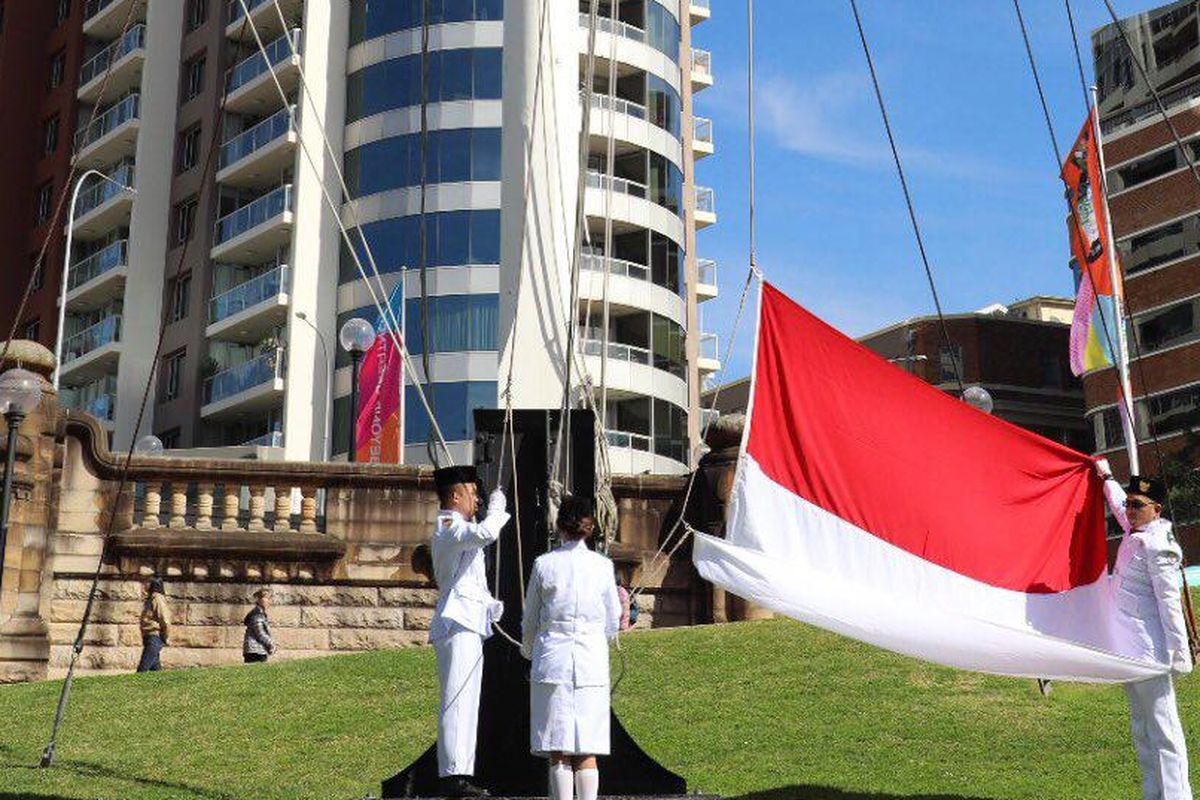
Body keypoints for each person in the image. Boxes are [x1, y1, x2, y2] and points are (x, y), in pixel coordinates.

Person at [1096, 459, 1193, 800]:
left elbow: (1170, 605)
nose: (1129, 510)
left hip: (1151, 653)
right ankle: (1153, 794)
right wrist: (1106, 476)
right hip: (1128, 650)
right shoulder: (1135, 532)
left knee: (1164, 732)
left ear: (1156, 509)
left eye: (1137, 505)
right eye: (1129, 504)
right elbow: (1118, 505)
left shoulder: (1158, 546)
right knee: (1141, 730)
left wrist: (1181, 655)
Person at [521, 495, 622, 800]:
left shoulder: (544, 564)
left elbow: (530, 618)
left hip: (553, 657)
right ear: (590, 527)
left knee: (559, 746)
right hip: (590, 657)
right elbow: (613, 617)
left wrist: (528, 650)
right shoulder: (603, 566)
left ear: (559, 525)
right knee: (587, 744)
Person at [429, 464, 508, 799]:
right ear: (456, 495)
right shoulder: (448, 524)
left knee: (468, 700)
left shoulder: (463, 528)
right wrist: (498, 508)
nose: (476, 500)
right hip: (456, 622)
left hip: (470, 622)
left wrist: (489, 603)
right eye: (473, 493)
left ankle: (461, 771)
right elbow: (484, 535)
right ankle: (452, 776)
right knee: (456, 699)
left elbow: (473, 579)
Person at [136, 577, 170, 672]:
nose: (144, 585)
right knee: (156, 671)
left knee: (142, 669)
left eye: (147, 582)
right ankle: (163, 687)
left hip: (154, 638)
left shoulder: (157, 598)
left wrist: (165, 637)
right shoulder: (150, 599)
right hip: (148, 638)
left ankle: (134, 686)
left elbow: (165, 619)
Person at [243, 588, 277, 664]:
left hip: (257, 650)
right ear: (259, 600)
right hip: (255, 651)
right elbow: (260, 633)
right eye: (266, 598)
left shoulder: (260, 613)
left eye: (270, 598)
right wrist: (271, 644)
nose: (269, 601)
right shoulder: (257, 614)